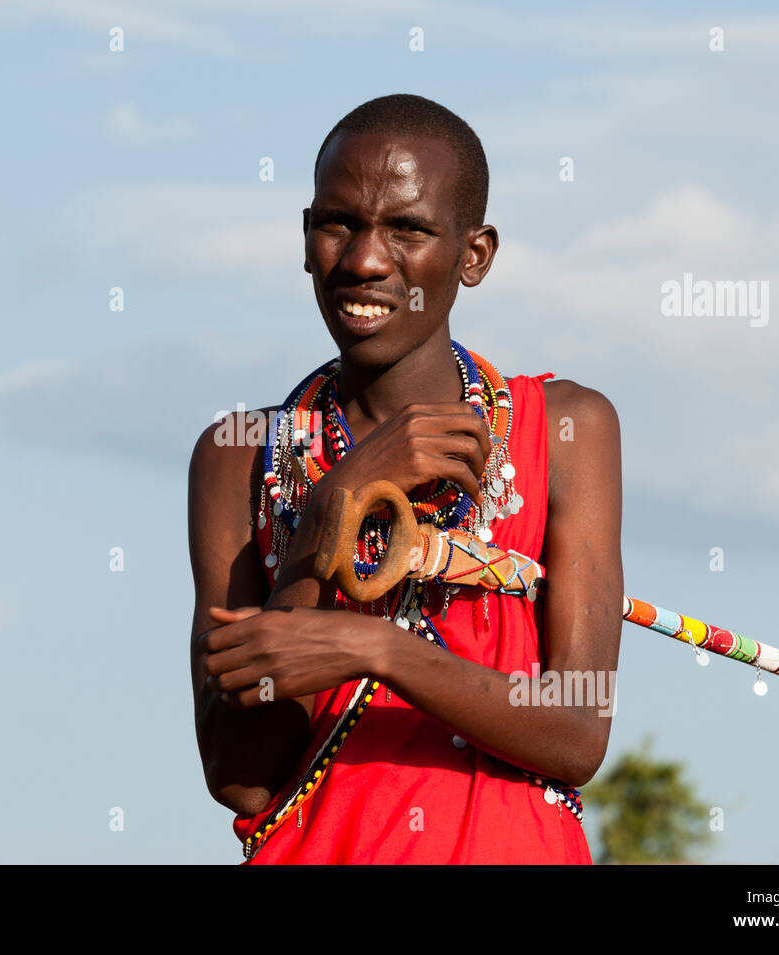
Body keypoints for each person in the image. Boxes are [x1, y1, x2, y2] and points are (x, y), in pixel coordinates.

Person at [188, 93, 623, 864]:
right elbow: (243, 775)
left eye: (408, 228)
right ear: (305, 235)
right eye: (338, 222)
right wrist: (333, 505)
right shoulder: (240, 453)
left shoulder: (565, 428)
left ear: (475, 254)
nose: (363, 259)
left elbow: (577, 732)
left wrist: (379, 651)